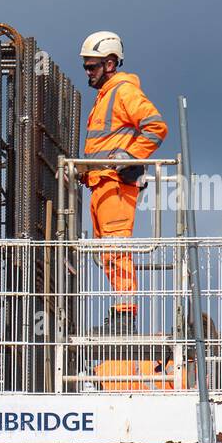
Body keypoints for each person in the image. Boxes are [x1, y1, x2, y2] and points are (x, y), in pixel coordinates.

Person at [79, 31, 168, 335]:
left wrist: (131, 157)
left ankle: (125, 317)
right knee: (109, 252)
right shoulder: (106, 96)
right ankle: (121, 312)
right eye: (86, 67)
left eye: (92, 66)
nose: (88, 72)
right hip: (101, 184)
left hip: (115, 185)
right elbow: (103, 144)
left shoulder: (123, 92)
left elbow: (156, 126)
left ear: (111, 63)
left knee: (117, 249)